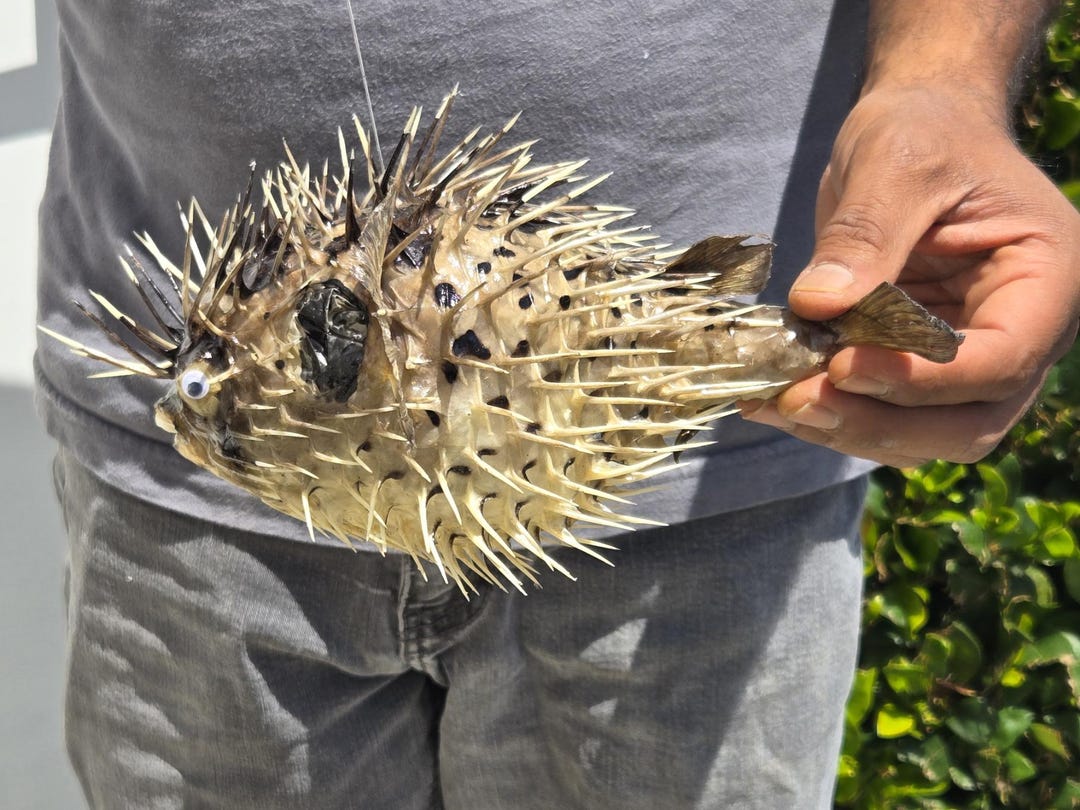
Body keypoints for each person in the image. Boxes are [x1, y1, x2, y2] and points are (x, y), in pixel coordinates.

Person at [34, 1, 1079, 808]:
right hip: (182, 523)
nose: (196, 403)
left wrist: (949, 77)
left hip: (706, 488)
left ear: (331, 340)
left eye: (204, 388)